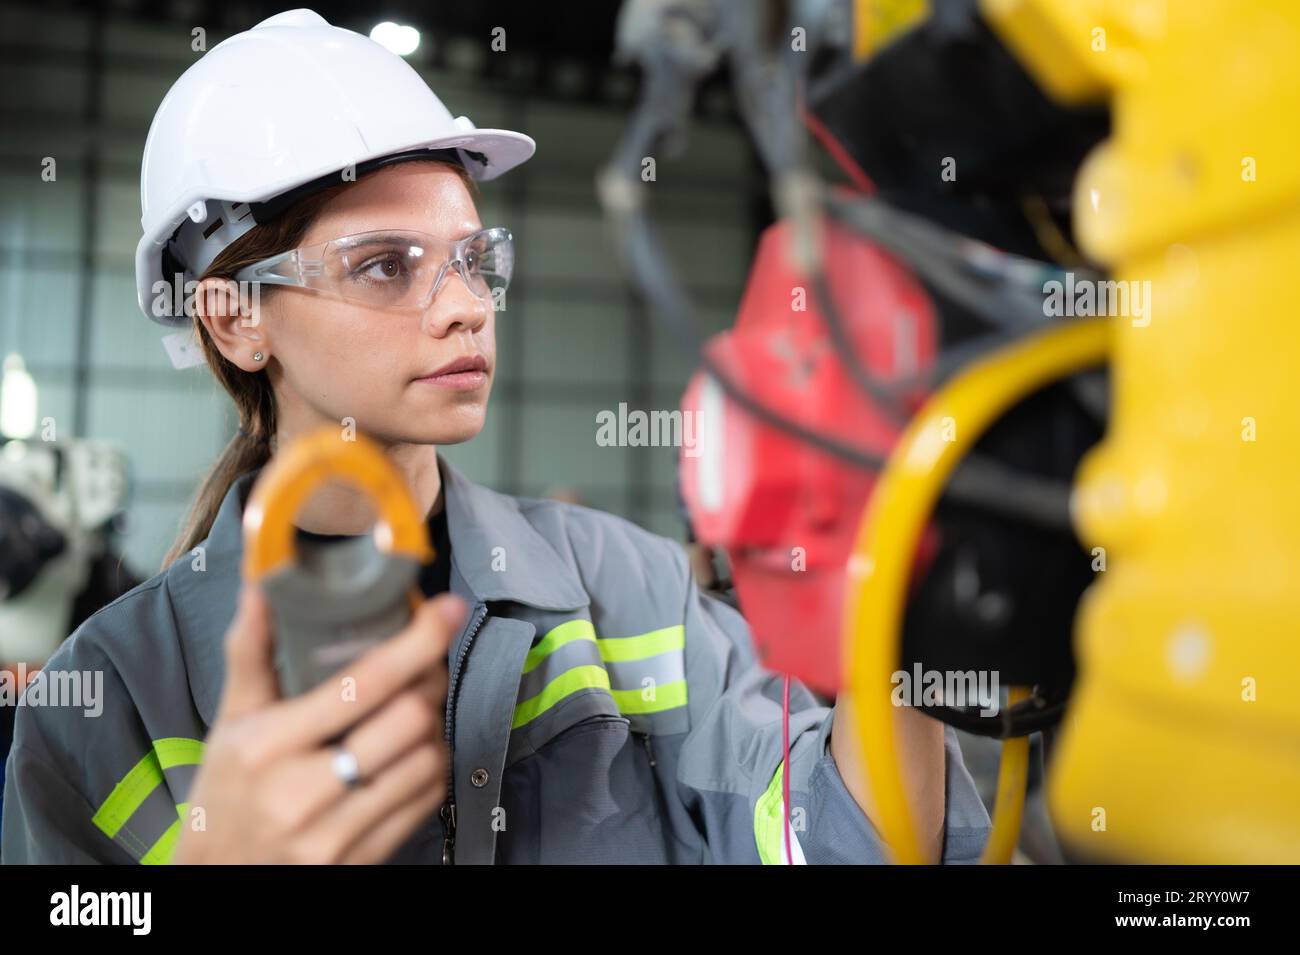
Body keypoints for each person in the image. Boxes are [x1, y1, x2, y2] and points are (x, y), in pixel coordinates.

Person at [0, 9, 990, 864]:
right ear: (232, 317)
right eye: (386, 266)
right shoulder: (109, 699)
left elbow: (833, 839)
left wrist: (903, 577)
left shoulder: (627, 593)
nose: (466, 308)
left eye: (474, 259)